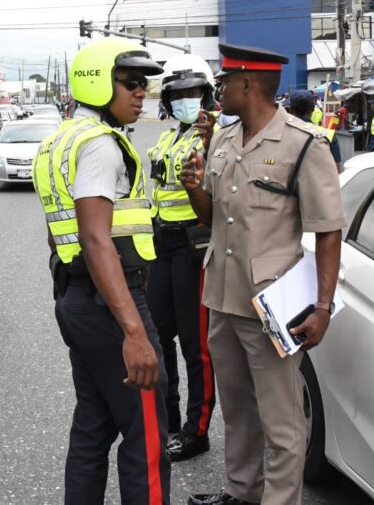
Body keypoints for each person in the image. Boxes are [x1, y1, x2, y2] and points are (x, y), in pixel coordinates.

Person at [181, 43, 344, 505]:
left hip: (272, 305)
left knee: (283, 423)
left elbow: (328, 231)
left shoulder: (303, 144)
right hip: (222, 297)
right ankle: (242, 491)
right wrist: (194, 189)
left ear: (248, 83)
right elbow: (209, 216)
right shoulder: (224, 139)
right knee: (237, 409)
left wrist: (324, 308)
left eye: (223, 82)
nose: (218, 92)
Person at [32, 37, 170, 504]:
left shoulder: (60, 139)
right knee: (147, 429)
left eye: (144, 85)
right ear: (96, 84)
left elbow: (59, 233)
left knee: (94, 423)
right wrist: (134, 332)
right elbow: (94, 238)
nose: (141, 93)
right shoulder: (101, 146)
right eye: (131, 83)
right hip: (112, 305)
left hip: (77, 299)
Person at [145, 59, 218, 462]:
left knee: (197, 346)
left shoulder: (214, 136)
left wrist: (210, 140)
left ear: (206, 95)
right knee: (158, 336)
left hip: (194, 249)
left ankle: (198, 430)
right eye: (178, 95)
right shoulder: (170, 138)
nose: (186, 101)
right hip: (162, 246)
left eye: (193, 93)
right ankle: (169, 420)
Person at [286, 91, 342, 173]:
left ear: (291, 110)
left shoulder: (282, 134)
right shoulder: (328, 135)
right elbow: (336, 170)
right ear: (312, 109)